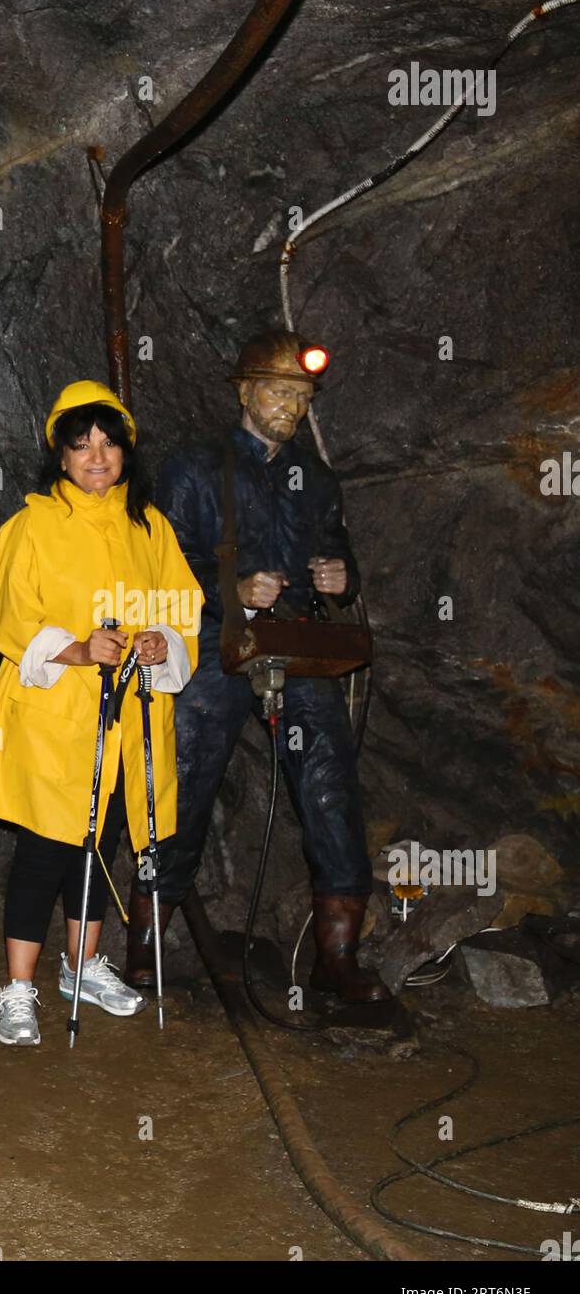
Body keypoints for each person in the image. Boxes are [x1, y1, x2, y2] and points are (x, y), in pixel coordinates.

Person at [123, 330, 390, 1004]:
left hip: (295, 647)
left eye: (302, 396)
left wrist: (342, 578)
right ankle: (143, 951)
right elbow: (160, 560)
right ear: (244, 392)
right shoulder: (194, 468)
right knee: (182, 784)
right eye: (278, 391)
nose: (291, 407)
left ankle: (337, 960)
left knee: (330, 786)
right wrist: (232, 589)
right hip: (214, 643)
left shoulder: (316, 480)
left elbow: (338, 553)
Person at [0, 380, 202, 1045]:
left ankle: (81, 965)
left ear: (126, 452)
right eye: (82, 444)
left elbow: (181, 606)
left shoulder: (149, 527)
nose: (98, 456)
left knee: (99, 843)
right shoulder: (31, 526)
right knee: (46, 848)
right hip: (53, 715)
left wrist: (161, 640)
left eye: (109, 444)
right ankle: (18, 988)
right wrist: (77, 648)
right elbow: (14, 621)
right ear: (61, 456)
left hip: (127, 715)